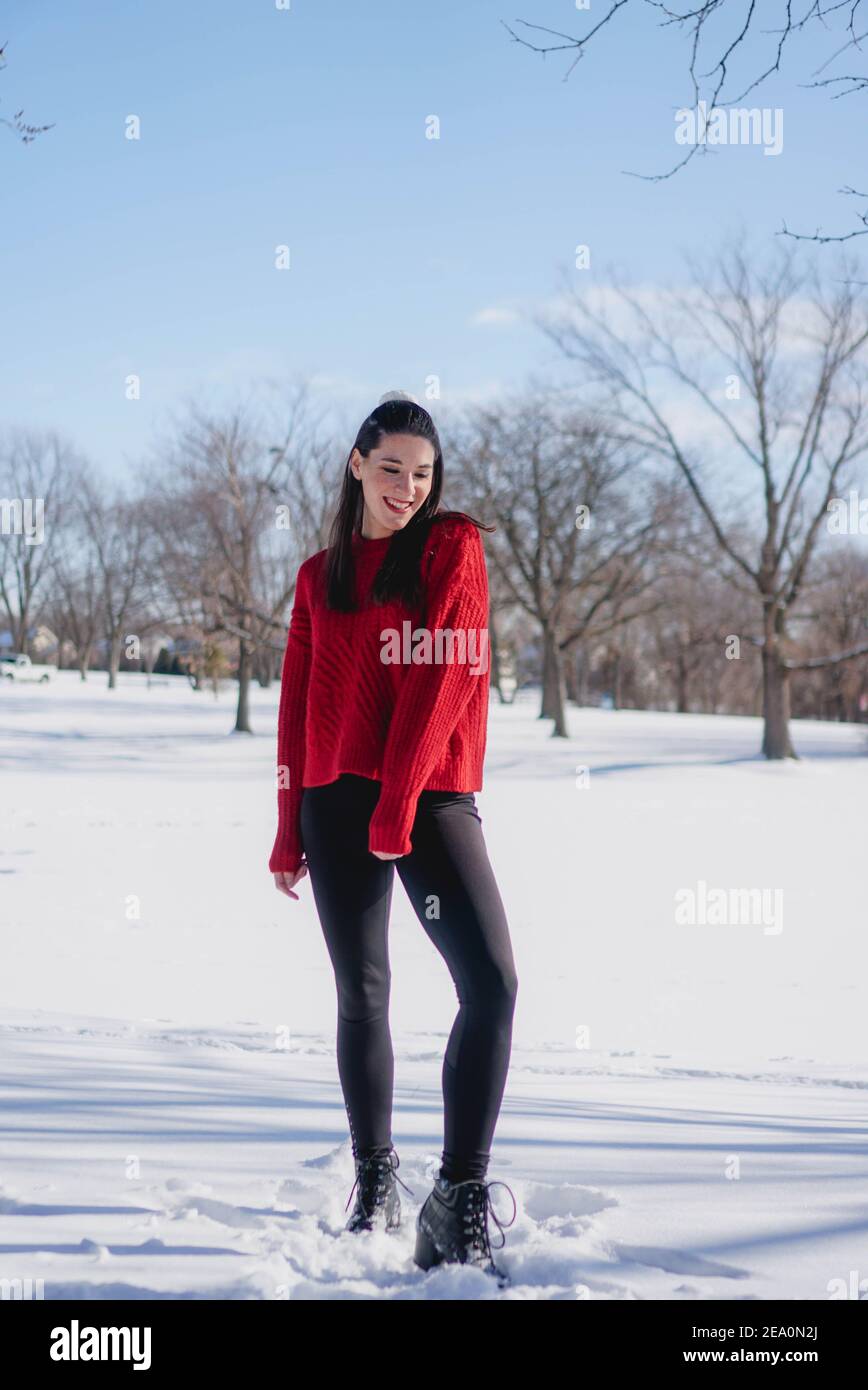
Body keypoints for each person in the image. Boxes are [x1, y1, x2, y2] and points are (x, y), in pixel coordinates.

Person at [269, 395, 518, 1282]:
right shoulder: (316, 577)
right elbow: (300, 705)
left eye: (422, 472)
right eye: (391, 470)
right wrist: (285, 828)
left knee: (490, 984)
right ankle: (375, 1178)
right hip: (334, 801)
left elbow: (449, 671)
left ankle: (456, 1200)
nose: (408, 488)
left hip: (431, 797)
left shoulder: (453, 546)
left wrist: (400, 804)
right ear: (354, 465)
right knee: (361, 992)